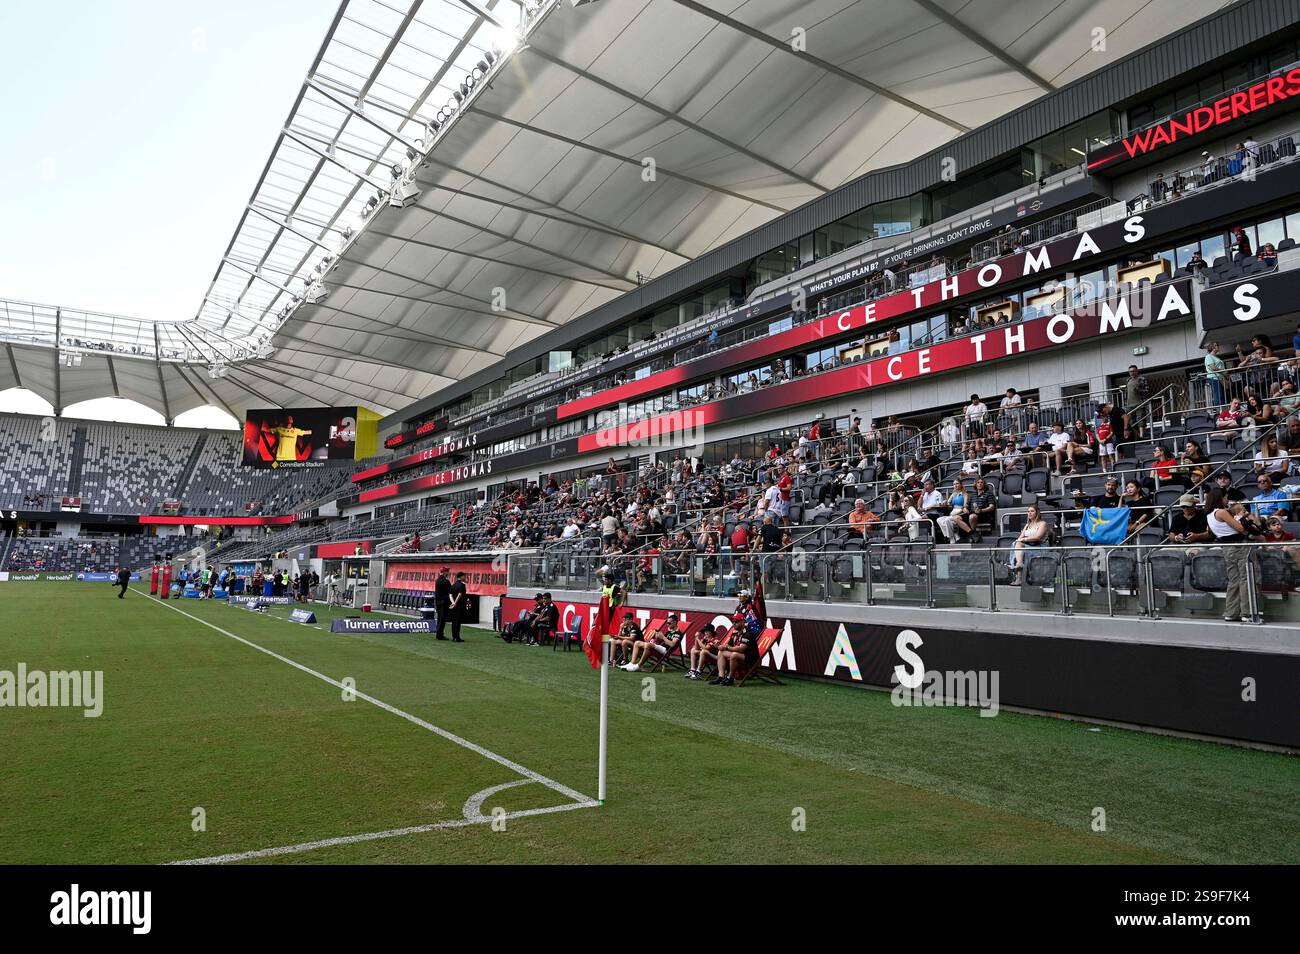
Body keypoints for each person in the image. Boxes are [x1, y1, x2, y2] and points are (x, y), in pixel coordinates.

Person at [1208, 498, 1259, 622]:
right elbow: (1245, 530)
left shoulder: (1209, 515)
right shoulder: (1222, 512)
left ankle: (1231, 613)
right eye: (1225, 497)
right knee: (1246, 578)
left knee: (1234, 580)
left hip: (1227, 548)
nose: (1227, 500)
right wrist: (1243, 518)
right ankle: (1247, 613)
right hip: (1239, 546)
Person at [1011, 505, 1050, 580]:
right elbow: (1019, 538)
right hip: (1029, 546)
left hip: (1040, 546)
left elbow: (1037, 537)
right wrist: (1019, 540)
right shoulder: (1027, 525)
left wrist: (1024, 540)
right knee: (1017, 546)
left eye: (1032, 511)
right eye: (1028, 511)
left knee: (1019, 549)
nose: (1029, 513)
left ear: (1037, 513)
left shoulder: (1042, 523)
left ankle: (1018, 574)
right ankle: (1019, 566)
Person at [433, 566, 453, 640]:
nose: (448, 573)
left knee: (439, 619)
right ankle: (440, 635)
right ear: (444, 572)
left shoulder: (437, 580)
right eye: (447, 571)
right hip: (444, 603)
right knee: (442, 619)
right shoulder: (446, 581)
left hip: (438, 602)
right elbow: (450, 591)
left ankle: (439, 634)